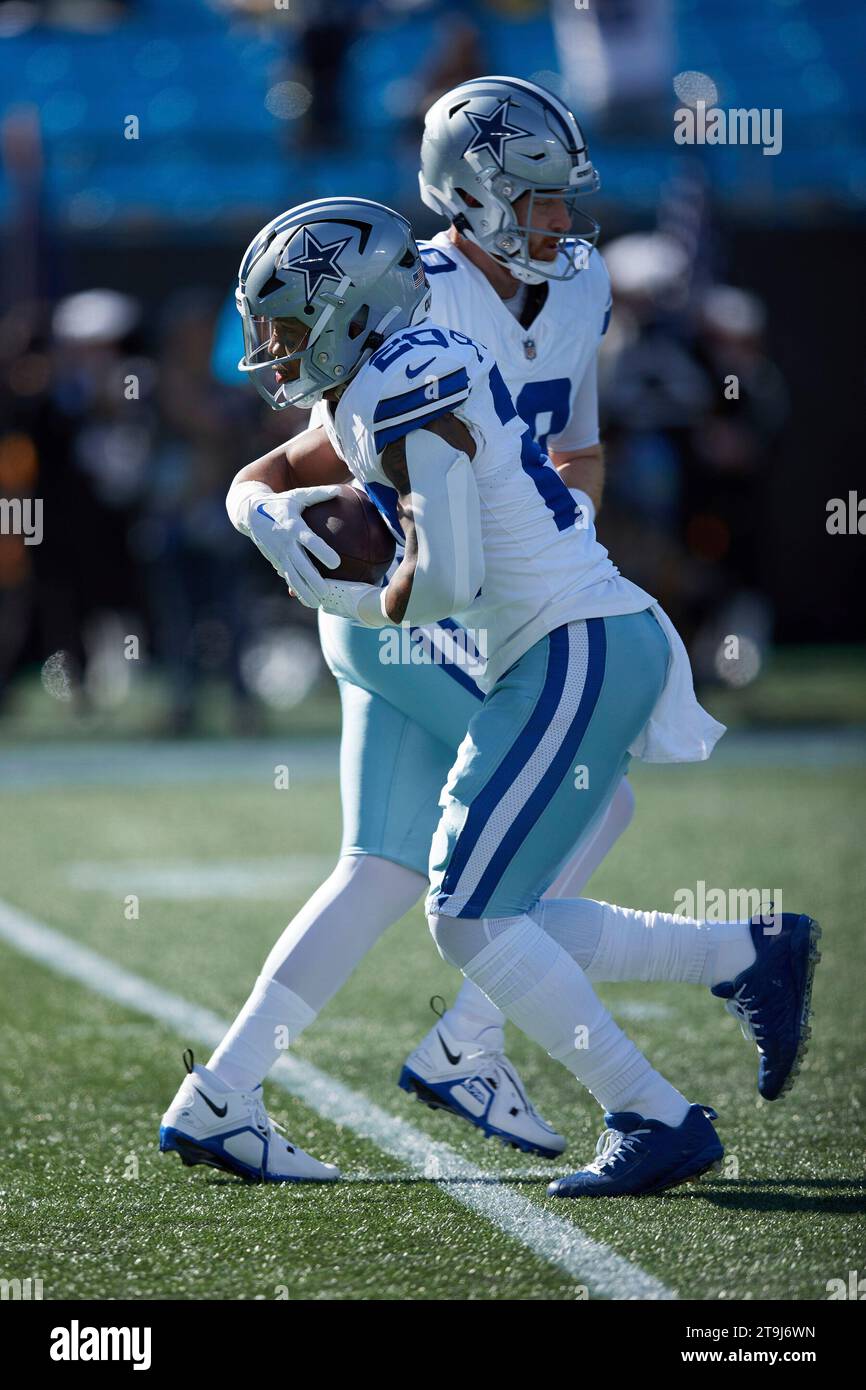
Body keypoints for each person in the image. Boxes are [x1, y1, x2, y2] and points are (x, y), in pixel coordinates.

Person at [160, 192, 819, 1195]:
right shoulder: (373, 375)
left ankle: (649, 1099)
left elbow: (448, 580)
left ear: (351, 311)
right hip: (552, 646)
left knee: (469, 905)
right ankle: (727, 968)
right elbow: (279, 476)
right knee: (455, 892)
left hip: (570, 643)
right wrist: (272, 524)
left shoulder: (413, 373)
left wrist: (336, 585)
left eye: (288, 328)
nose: (271, 353)